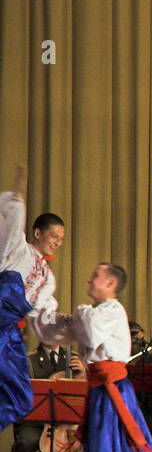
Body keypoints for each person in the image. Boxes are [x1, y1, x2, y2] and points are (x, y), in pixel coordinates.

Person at [33, 263, 152, 452]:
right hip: (101, 390)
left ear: (110, 284)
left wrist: (79, 313)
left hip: (113, 389)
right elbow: (56, 333)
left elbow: (90, 333)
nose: (90, 279)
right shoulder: (93, 314)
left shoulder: (111, 311)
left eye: (96, 276)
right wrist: (38, 311)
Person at [0, 166, 64, 435]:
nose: (58, 242)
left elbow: (42, 313)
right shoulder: (18, 250)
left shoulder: (48, 278)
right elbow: (14, 221)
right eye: (54, 236)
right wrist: (19, 191)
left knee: (22, 398)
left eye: (61, 238)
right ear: (38, 233)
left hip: (10, 333)